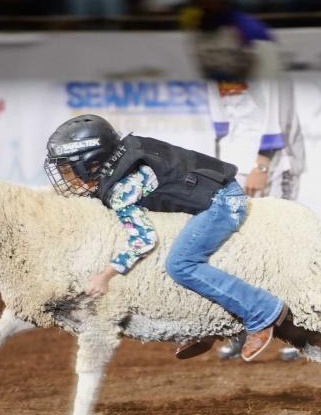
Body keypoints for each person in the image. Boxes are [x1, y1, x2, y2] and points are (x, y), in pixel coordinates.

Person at [43, 114, 288, 362]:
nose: (65, 178)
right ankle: (210, 323)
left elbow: (143, 240)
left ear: (91, 164)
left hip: (224, 202)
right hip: (208, 198)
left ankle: (263, 312)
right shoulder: (124, 155)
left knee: (180, 265)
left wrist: (105, 275)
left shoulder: (122, 188)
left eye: (67, 169)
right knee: (174, 261)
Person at [170, 0, 307, 359]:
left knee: (279, 243)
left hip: (272, 153)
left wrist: (263, 162)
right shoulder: (203, 33)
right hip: (234, 152)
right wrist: (219, 158)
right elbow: (218, 99)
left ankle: (301, 329)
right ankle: (242, 321)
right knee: (234, 243)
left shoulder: (252, 33)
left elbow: (275, 101)